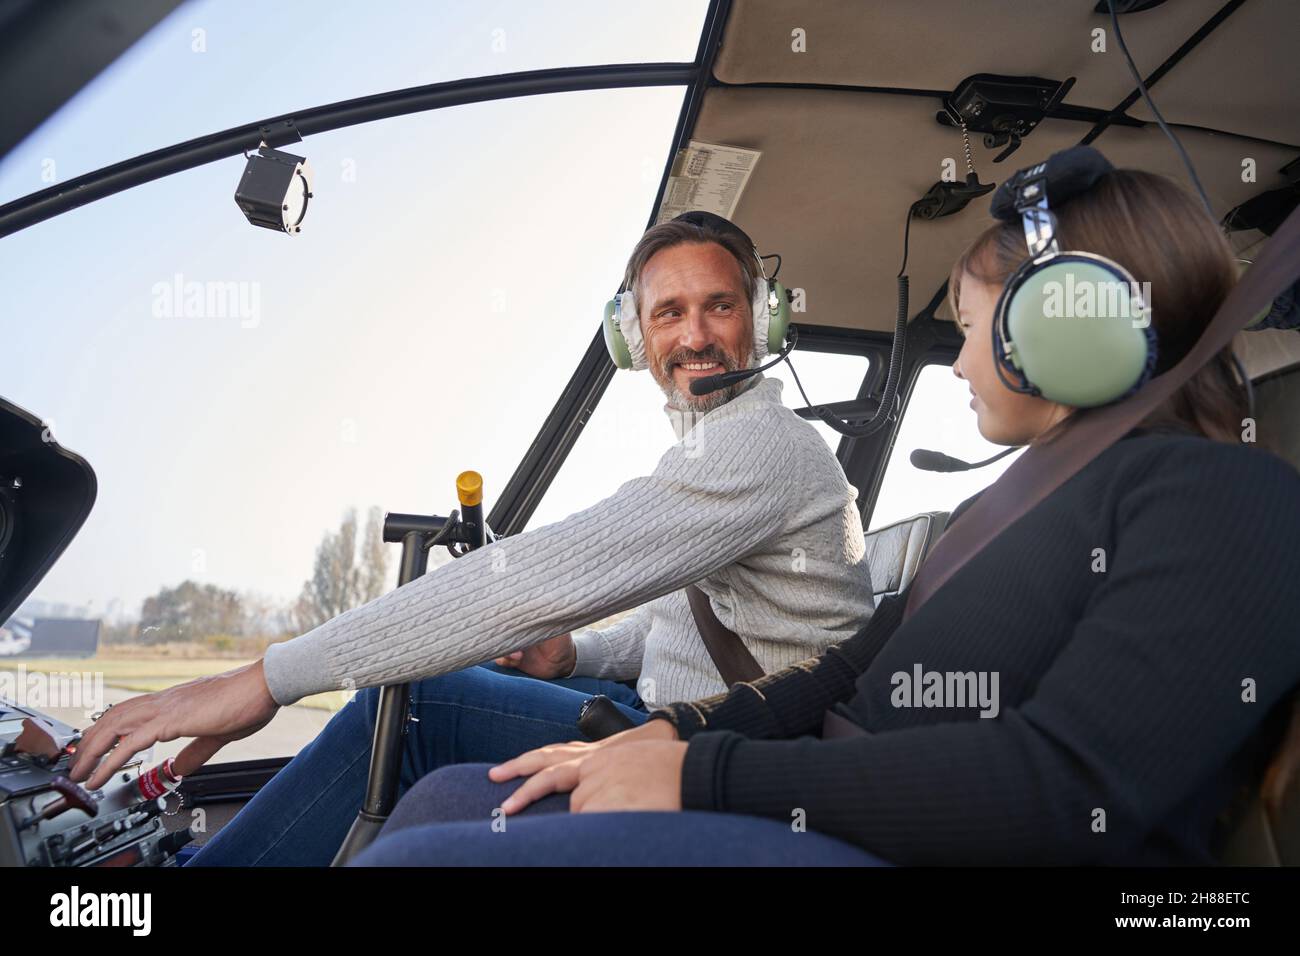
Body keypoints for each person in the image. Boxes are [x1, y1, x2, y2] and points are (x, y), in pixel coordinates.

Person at [347, 154, 1300, 866]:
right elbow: (847, 672)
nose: (962, 364)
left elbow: (1066, 789)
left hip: (929, 844)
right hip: (841, 792)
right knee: (440, 804)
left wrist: (706, 775)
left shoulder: (1229, 502)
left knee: (422, 855)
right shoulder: (1005, 502)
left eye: (971, 333)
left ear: (1069, 329)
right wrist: (678, 733)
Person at [66, 213, 876, 865]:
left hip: (745, 742)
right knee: (426, 689)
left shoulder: (757, 447)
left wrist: (266, 679)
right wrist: (575, 658)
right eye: (670, 312)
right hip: (674, 709)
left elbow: (521, 584)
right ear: (635, 338)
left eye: (720, 306)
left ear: (764, 317)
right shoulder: (713, 446)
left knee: (416, 704)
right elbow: (679, 626)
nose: (695, 335)